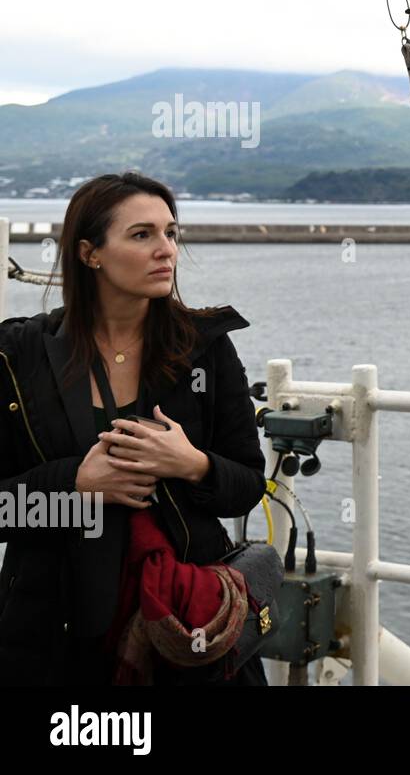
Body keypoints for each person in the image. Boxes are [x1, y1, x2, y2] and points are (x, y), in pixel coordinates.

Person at [0, 172, 268, 685]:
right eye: (141, 235)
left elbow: (247, 487)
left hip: (184, 629)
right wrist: (74, 486)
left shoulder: (205, 349)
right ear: (89, 252)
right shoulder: (19, 357)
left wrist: (193, 465)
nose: (166, 250)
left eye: (170, 233)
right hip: (54, 639)